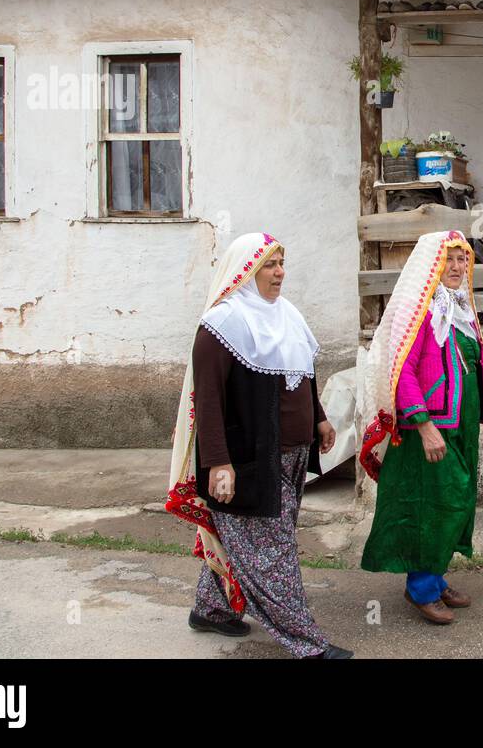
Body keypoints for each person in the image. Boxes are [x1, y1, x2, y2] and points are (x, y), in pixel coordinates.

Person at [165, 231, 352, 659]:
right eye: (269, 264)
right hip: (247, 460)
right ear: (245, 271)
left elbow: (303, 373)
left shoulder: (286, 315)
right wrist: (218, 464)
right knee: (272, 552)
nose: (280, 272)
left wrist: (320, 419)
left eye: (282, 263)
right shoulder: (220, 326)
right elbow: (208, 401)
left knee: (258, 539)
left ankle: (211, 609)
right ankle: (305, 643)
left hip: (290, 454)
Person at [358, 229, 483, 625]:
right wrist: (424, 425)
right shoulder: (418, 312)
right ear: (432, 264)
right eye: (449, 259)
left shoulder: (461, 311)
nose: (457, 267)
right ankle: (422, 588)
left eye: (463, 259)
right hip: (429, 429)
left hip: (462, 426)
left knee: (456, 502)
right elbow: (403, 374)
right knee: (433, 505)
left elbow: (481, 365)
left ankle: (435, 572)